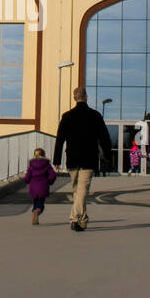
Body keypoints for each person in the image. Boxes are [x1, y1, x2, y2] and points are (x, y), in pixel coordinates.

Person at [53, 87, 113, 232]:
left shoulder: (66, 116)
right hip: (89, 158)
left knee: (78, 191)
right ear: (86, 97)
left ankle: (81, 220)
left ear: (74, 98)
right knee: (82, 191)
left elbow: (60, 139)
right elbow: (104, 138)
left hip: (72, 158)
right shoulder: (95, 115)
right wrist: (107, 155)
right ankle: (76, 218)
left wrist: (56, 159)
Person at [24, 147, 57, 225]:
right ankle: (37, 211)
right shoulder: (47, 164)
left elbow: (27, 177)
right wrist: (49, 181)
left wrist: (27, 181)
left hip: (33, 186)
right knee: (41, 203)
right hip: (43, 185)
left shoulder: (31, 165)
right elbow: (53, 175)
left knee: (35, 201)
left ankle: (35, 215)